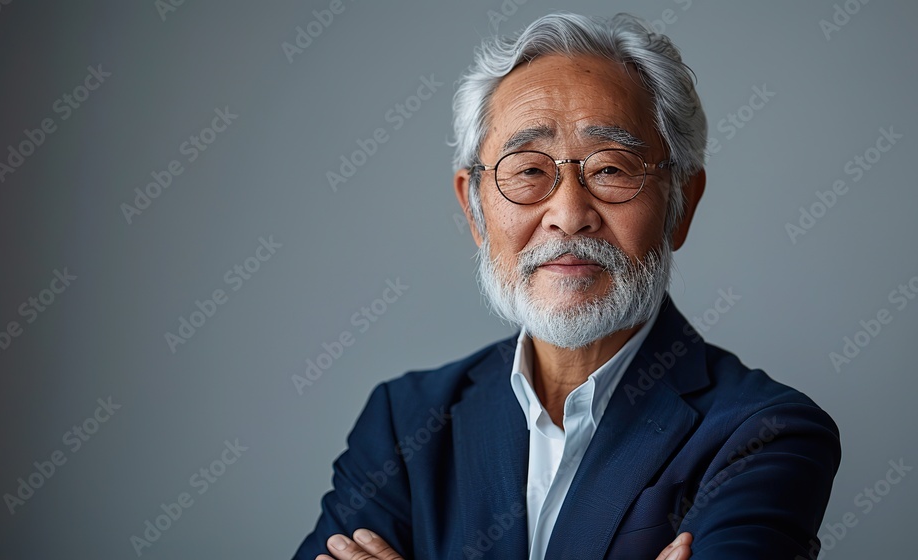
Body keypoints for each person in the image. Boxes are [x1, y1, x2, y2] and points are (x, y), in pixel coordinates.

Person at [294, 12, 840, 560]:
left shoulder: (766, 433)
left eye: (611, 169)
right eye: (528, 171)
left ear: (682, 204)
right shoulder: (405, 423)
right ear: (474, 208)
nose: (570, 214)